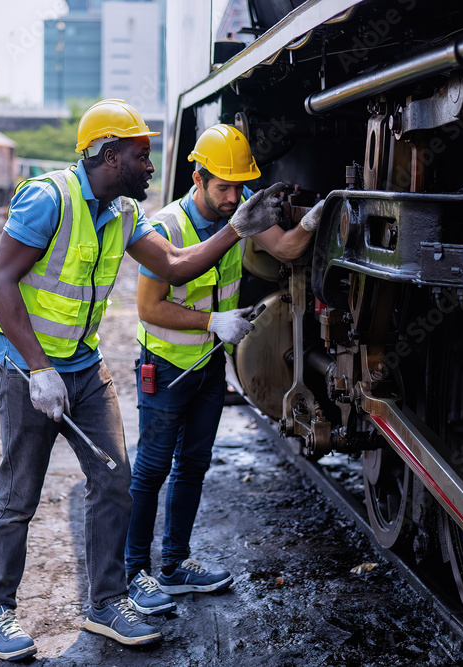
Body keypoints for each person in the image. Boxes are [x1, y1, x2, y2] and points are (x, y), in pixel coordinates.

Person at [0, 102, 286, 661]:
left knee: (114, 479)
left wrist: (237, 227)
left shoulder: (121, 211)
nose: (151, 166)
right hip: (28, 371)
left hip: (84, 367)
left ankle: (105, 602)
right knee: (19, 494)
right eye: (142, 155)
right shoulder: (48, 198)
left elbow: (172, 264)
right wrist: (39, 369)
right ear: (108, 154)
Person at [124, 124, 323, 616]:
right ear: (198, 178)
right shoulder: (166, 227)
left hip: (209, 364)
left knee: (193, 465)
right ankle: (133, 574)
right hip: (167, 366)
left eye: (241, 186)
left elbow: (287, 249)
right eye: (225, 188)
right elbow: (149, 308)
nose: (235, 198)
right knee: (150, 470)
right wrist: (213, 320)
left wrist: (317, 220)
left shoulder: (242, 209)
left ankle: (173, 566)